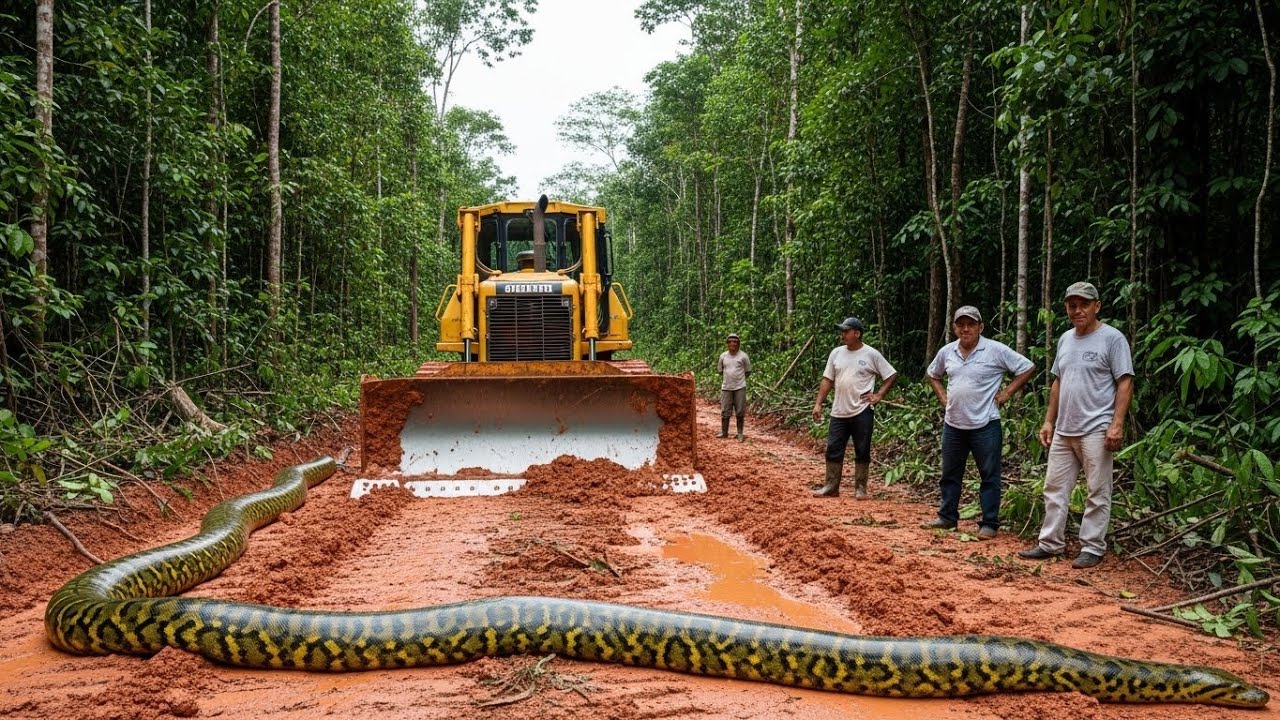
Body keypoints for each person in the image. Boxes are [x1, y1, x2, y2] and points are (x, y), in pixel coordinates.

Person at [1018, 282, 1134, 569]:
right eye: (1072, 305)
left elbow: (1125, 381)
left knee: (1097, 489)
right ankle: (1050, 543)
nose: (1078, 310)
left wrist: (1116, 423)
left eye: (1084, 304)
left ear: (1097, 306)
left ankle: (1092, 547)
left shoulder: (1112, 339)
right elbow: (1058, 381)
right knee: (1054, 488)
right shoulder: (1065, 339)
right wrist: (1048, 421)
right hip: (1064, 429)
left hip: (1096, 428)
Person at [922, 305, 1035, 540]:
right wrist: (943, 397)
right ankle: (947, 517)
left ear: (980, 327)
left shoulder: (994, 350)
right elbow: (933, 374)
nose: (966, 328)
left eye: (971, 324)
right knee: (950, 473)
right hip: (954, 424)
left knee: (989, 475)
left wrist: (1006, 394)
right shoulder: (947, 352)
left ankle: (989, 523)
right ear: (954, 328)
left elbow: (1026, 367)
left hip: (986, 424)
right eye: (961, 324)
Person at [812, 317, 898, 499]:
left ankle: (860, 488)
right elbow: (827, 379)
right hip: (838, 410)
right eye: (842, 331)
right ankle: (831, 486)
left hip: (862, 410)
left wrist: (879, 395)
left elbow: (890, 375)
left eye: (846, 331)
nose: (842, 334)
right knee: (834, 447)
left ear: (857, 333)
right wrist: (819, 403)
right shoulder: (836, 353)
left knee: (862, 448)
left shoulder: (871, 354)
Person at [717, 333, 752, 440]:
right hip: (726, 387)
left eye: (735, 342)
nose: (733, 343)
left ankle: (740, 433)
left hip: (740, 387)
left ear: (739, 344)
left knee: (740, 411)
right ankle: (724, 432)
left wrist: (739, 380)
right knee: (725, 411)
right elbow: (720, 370)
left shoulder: (743, 356)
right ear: (727, 344)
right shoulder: (723, 356)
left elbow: (748, 371)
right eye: (730, 341)